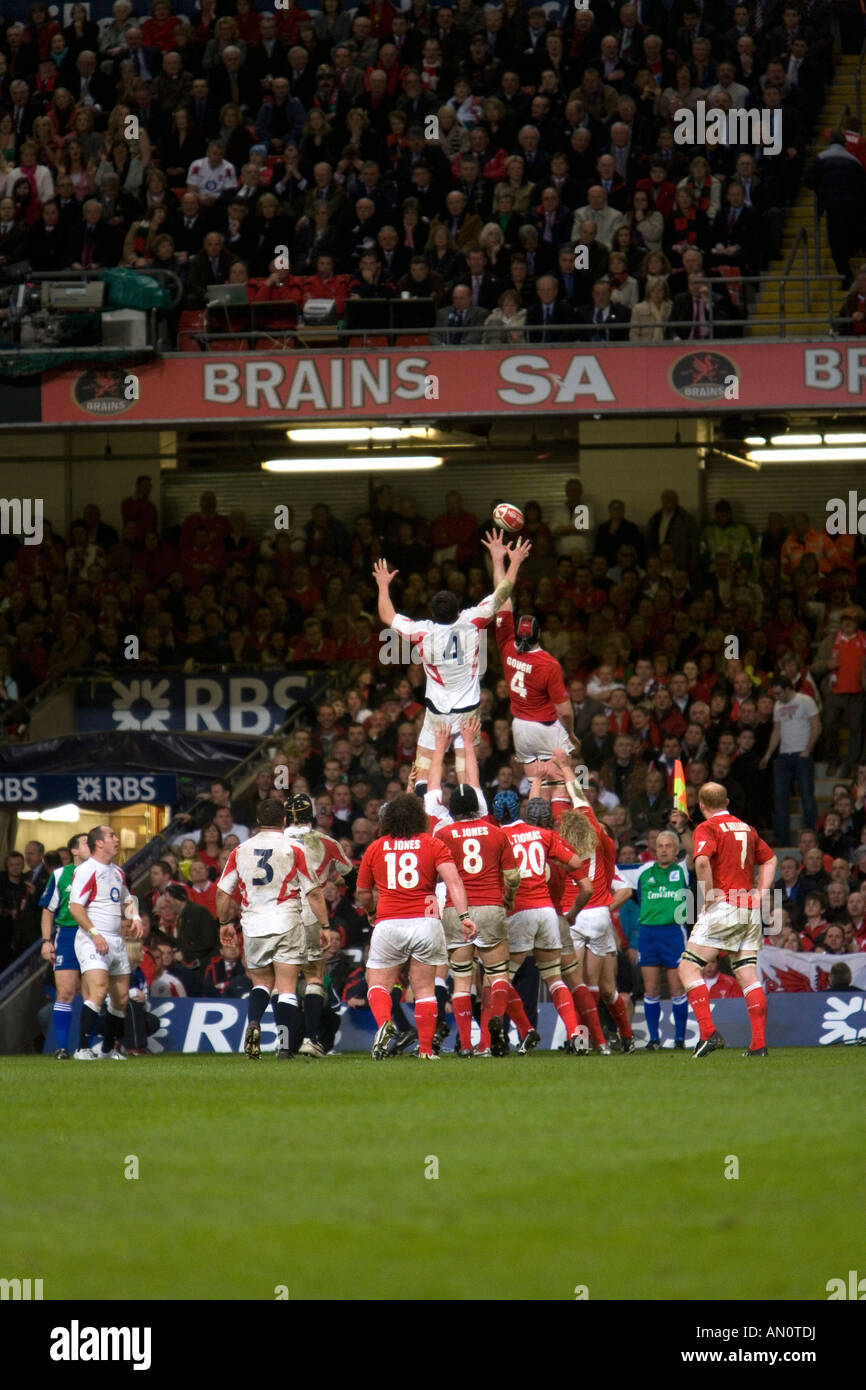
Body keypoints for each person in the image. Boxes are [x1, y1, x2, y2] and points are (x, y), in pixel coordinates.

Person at [372, 539, 529, 783]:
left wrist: (383, 585)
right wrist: (511, 560)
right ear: (459, 610)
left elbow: (387, 615)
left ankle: (427, 813)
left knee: (423, 769)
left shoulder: (423, 632)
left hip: (438, 710)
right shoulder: (472, 620)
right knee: (466, 769)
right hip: (469, 709)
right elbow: (503, 592)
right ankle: (470, 814)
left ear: (433, 614)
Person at [356, 791, 477, 1060]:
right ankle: (425, 1050)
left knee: (377, 983)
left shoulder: (376, 847)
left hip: (388, 923)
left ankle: (386, 1023)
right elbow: (454, 881)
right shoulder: (433, 844)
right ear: (418, 818)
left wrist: (371, 911)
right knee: (424, 989)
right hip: (426, 922)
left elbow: (363, 891)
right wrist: (464, 916)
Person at [431, 721, 521, 1057]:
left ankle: (466, 1044)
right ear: (479, 809)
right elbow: (513, 876)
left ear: (453, 811)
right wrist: (507, 898)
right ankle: (489, 1035)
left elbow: (438, 877)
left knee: (462, 981)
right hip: (492, 907)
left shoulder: (443, 835)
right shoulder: (496, 833)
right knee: (497, 975)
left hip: (457, 911)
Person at [216, 799, 328, 1060]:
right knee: (287, 987)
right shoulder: (294, 848)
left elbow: (222, 893)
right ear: (284, 821)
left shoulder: (240, 850)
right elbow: (314, 892)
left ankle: (254, 1021)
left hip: (253, 924)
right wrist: (324, 925)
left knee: (262, 982)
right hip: (286, 921)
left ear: (257, 821)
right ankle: (286, 1048)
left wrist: (224, 924)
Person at [678, 782, 777, 1058]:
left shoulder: (707, 828)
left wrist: (707, 896)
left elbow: (700, 862)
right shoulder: (748, 829)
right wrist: (760, 893)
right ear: (727, 801)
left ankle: (708, 1034)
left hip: (725, 906)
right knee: (747, 973)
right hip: (749, 907)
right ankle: (758, 1045)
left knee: (687, 968)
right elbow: (770, 860)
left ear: (701, 805)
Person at [493, 785, 593, 1055]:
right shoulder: (543, 835)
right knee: (555, 979)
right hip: (547, 912)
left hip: (519, 912)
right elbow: (574, 862)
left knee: (502, 978)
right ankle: (575, 1034)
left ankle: (501, 1038)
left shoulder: (496, 837)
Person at [485, 529, 576, 795]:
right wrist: (571, 733)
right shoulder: (548, 663)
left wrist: (499, 559)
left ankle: (534, 830)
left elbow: (502, 596)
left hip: (520, 729)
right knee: (560, 786)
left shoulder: (505, 646)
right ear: (540, 635)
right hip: (546, 726)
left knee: (535, 785)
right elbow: (566, 711)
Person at [283, 790, 353, 1058]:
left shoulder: (272, 843)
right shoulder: (326, 841)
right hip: (311, 914)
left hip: (277, 915)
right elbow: (351, 874)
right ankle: (311, 1039)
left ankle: (284, 1045)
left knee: (283, 980)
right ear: (310, 815)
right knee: (314, 976)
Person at [68, 825, 144, 1060]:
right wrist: (94, 933)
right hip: (92, 939)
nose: (116, 839)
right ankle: (82, 1048)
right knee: (99, 989)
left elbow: (126, 899)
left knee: (121, 998)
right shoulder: (86, 870)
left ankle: (109, 1049)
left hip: (116, 940)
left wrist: (135, 916)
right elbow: (75, 907)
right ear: (99, 843)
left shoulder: (117, 872)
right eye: (112, 835)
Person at [616, 825, 693, 1049]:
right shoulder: (642, 870)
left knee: (677, 989)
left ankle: (679, 1039)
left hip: (674, 933)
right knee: (651, 990)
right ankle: (653, 1039)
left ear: (676, 849)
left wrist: (682, 828)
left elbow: (694, 851)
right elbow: (610, 871)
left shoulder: (682, 870)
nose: (664, 850)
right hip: (648, 935)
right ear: (654, 849)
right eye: (660, 846)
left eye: (669, 846)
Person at [39, 830, 91, 1059]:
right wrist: (46, 941)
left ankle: (89, 1047)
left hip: (92, 934)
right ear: (74, 850)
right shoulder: (60, 874)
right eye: (86, 843)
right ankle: (61, 1047)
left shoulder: (102, 873)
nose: (92, 845)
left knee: (94, 993)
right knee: (66, 991)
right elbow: (48, 910)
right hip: (68, 935)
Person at [759, 676, 821, 844]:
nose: (776, 697)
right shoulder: (778, 705)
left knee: (807, 797)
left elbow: (816, 726)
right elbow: (776, 731)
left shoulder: (805, 701)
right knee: (780, 798)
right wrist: (768, 754)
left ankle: (812, 837)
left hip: (802, 754)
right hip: (783, 755)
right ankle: (781, 838)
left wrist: (808, 749)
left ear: (788, 689)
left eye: (779, 693)